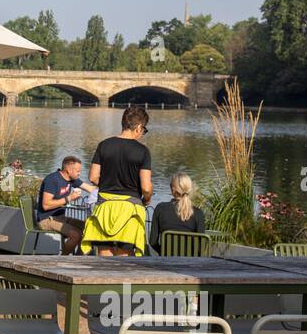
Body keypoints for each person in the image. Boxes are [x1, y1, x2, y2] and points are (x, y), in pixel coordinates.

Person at [81, 106, 152, 255]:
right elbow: (146, 187)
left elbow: (93, 177)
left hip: (105, 207)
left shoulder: (104, 145)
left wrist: (109, 182)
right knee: (125, 258)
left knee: (103, 253)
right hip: (130, 210)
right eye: (144, 130)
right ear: (138, 127)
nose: (142, 134)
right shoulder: (142, 151)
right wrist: (147, 199)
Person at [36, 155, 97, 255]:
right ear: (68, 170)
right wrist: (69, 198)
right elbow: (46, 205)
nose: (80, 173)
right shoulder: (52, 180)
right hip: (46, 219)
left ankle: (78, 258)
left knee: (88, 228)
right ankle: (63, 260)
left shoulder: (72, 179)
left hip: (62, 217)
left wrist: (109, 189)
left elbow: (90, 189)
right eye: (78, 171)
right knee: (76, 235)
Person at [148, 172, 206, 254]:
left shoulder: (160, 209)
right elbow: (201, 245)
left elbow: (153, 241)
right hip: (191, 264)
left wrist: (163, 252)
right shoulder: (198, 213)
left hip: (166, 263)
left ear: (173, 189)